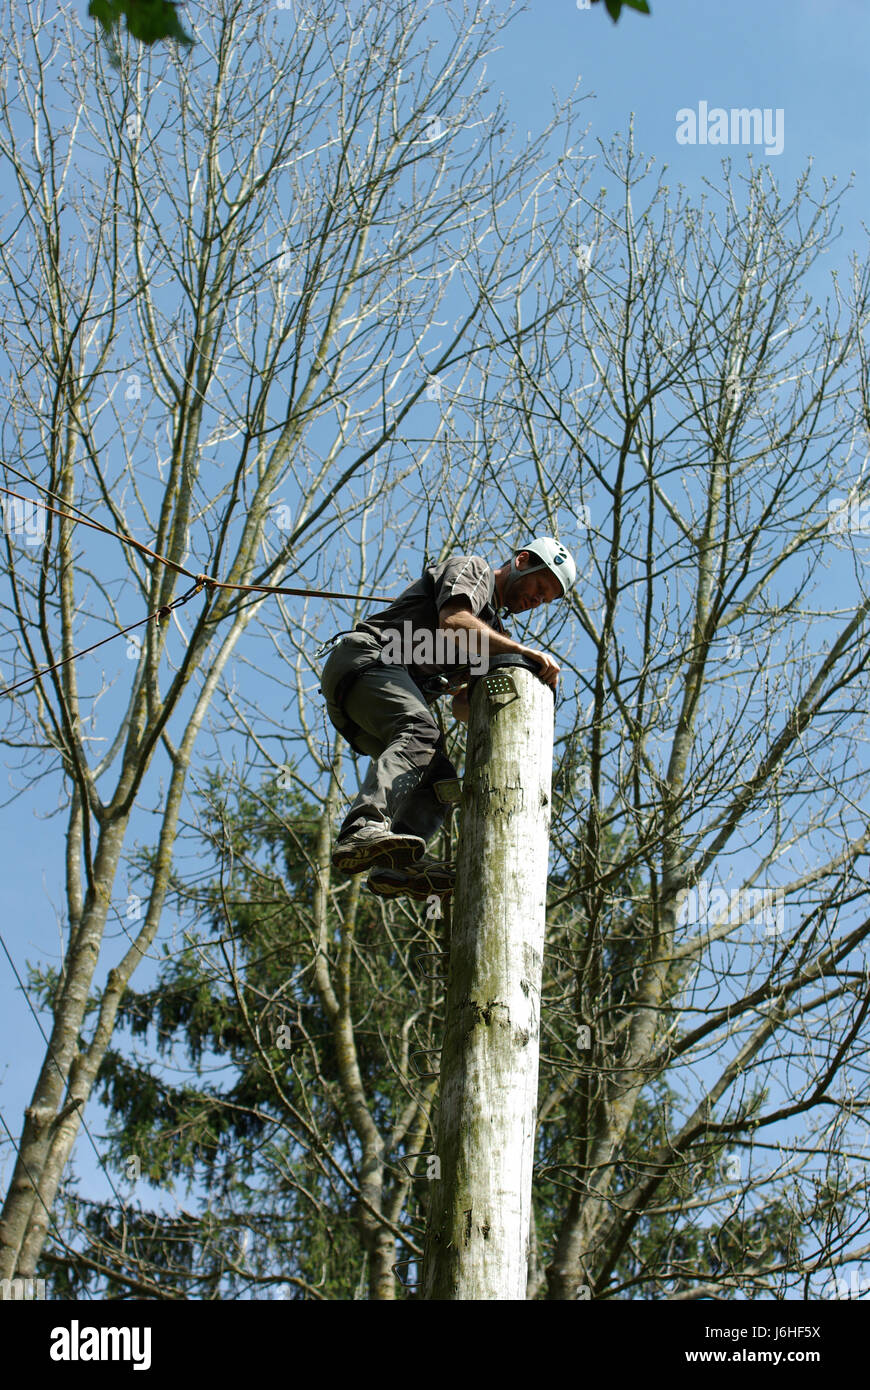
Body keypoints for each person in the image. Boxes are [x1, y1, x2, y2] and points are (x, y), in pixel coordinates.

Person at [318, 537, 576, 900]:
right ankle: (363, 827)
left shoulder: (494, 634)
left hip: (366, 704)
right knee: (421, 729)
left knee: (438, 780)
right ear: (522, 562)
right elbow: (454, 621)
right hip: (368, 659)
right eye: (539, 586)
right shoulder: (475, 571)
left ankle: (393, 865)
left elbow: (460, 708)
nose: (537, 600)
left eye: (545, 599)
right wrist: (522, 651)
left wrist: (507, 712)